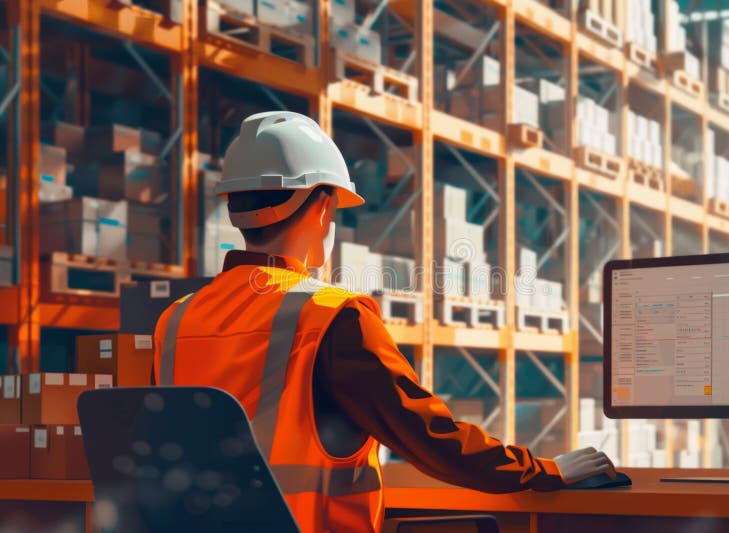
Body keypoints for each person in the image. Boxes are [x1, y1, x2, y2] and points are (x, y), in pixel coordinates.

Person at [153, 111, 616, 532]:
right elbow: (430, 437)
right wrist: (545, 470)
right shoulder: (331, 315)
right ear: (321, 207)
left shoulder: (175, 320)